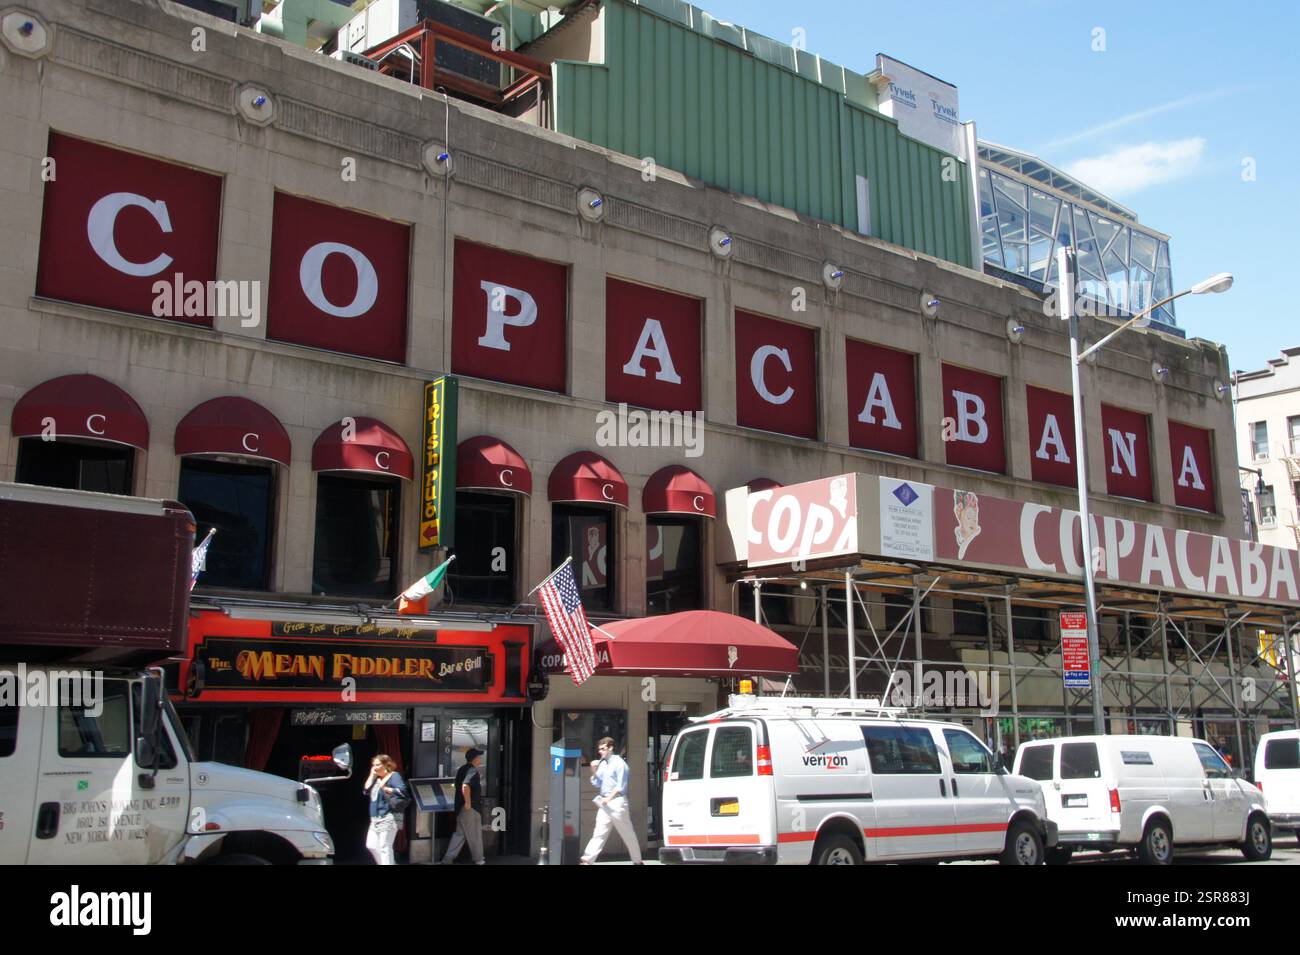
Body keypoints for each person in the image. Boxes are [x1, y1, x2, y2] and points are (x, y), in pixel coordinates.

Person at [580, 737, 642, 865]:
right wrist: (593, 770)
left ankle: (637, 861)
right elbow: (597, 782)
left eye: (603, 749)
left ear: (611, 748)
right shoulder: (603, 763)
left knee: (627, 834)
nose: (600, 752)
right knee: (599, 833)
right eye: (599, 749)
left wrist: (608, 798)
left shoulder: (620, 763)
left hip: (617, 803)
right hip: (604, 803)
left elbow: (621, 786)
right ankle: (587, 860)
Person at [440, 748, 486, 865]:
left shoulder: (462, 769)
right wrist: (468, 803)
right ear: (475, 759)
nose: (480, 759)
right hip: (470, 809)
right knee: (474, 834)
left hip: (460, 808)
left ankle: (447, 859)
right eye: (479, 757)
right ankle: (479, 859)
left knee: (459, 835)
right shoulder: (472, 770)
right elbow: (465, 786)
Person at [363, 754, 408, 865]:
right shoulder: (376, 779)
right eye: (373, 765)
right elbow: (365, 790)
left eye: (378, 765)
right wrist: (371, 775)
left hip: (389, 816)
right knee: (371, 845)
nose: (375, 768)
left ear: (386, 765)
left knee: (385, 846)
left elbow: (402, 791)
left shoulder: (394, 776)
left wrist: (386, 788)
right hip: (375, 818)